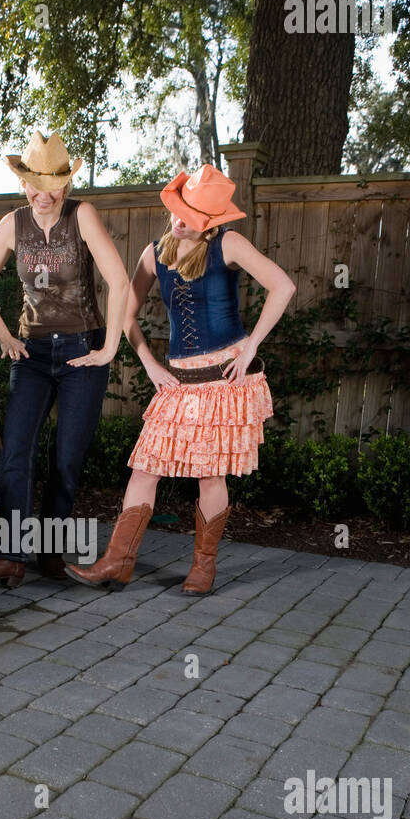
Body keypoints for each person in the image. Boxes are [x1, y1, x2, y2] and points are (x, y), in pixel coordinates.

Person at [67, 164, 295, 593]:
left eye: (192, 218)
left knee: (209, 476)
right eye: (178, 211)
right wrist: (150, 364)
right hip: (178, 384)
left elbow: (282, 286)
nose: (180, 222)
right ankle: (117, 562)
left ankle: (203, 567)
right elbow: (126, 315)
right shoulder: (153, 254)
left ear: (209, 223)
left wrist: (251, 348)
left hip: (223, 384)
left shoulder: (228, 243)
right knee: (143, 469)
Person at [0, 130, 130, 586]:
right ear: (24, 185)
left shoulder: (84, 216)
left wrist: (109, 348)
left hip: (82, 349)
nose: (42, 194)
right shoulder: (10, 225)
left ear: (66, 184)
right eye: (33, 184)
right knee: (16, 453)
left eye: (51, 184)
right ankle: (11, 558)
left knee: (66, 459)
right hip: (32, 353)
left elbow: (119, 283)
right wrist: (5, 337)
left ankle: (53, 554)